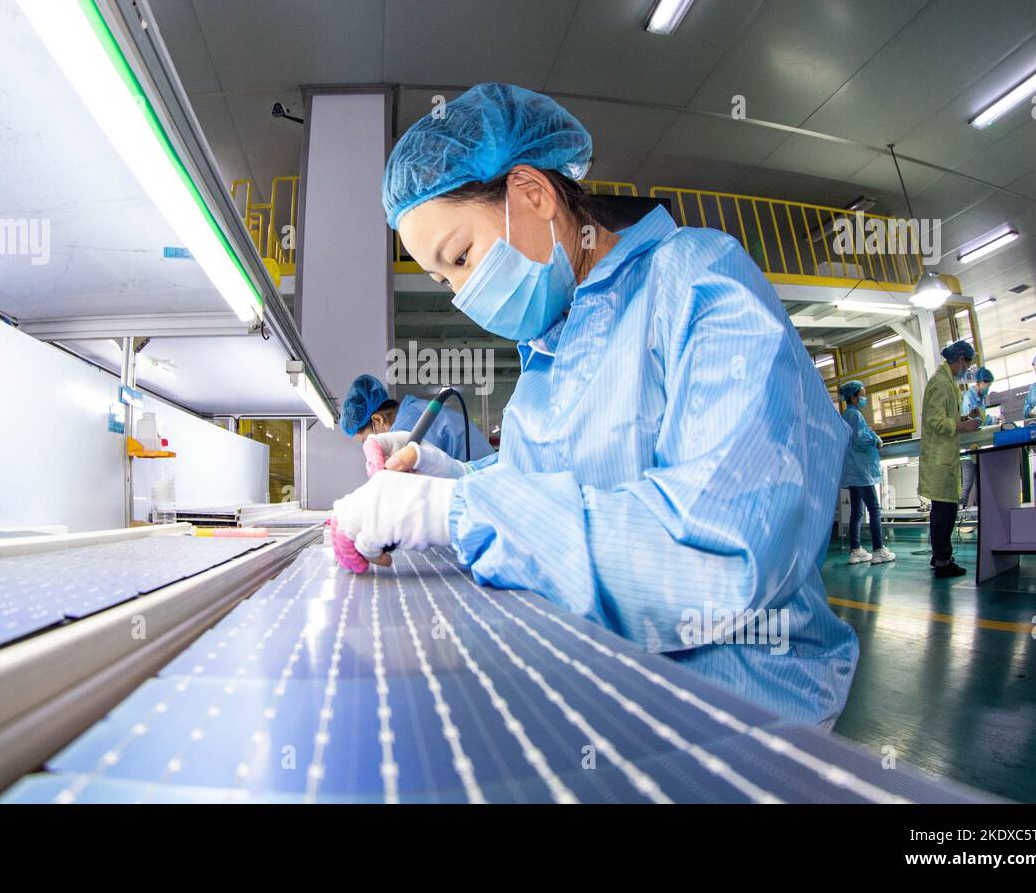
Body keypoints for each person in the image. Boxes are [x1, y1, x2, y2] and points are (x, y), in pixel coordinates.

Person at [331, 82, 857, 728]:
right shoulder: (546, 356)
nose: (463, 295)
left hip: (732, 714)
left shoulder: (696, 279)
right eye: (445, 282)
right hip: (602, 691)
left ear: (532, 193)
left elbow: (727, 550)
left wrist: (461, 511)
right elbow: (564, 497)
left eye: (461, 258)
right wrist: (453, 480)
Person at [918, 340, 980, 578]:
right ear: (961, 360)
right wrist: (962, 427)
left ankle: (941, 556)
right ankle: (943, 561)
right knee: (944, 512)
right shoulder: (940, 382)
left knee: (945, 510)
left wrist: (964, 417)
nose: (967, 369)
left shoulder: (947, 382)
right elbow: (935, 420)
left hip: (945, 455)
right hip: (939, 457)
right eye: (968, 363)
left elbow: (946, 416)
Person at [338, 373, 494, 462]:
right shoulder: (412, 409)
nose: (367, 444)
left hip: (482, 488)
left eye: (365, 439)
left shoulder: (407, 428)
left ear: (377, 420)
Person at [838, 381, 893, 565]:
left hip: (853, 472)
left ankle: (856, 550)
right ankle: (878, 549)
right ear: (853, 397)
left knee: (856, 511)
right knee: (874, 509)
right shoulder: (854, 415)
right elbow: (861, 439)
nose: (864, 398)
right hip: (861, 471)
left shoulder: (846, 415)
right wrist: (874, 439)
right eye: (862, 394)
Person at [959, 366, 994, 509]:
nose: (988, 388)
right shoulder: (969, 397)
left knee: (980, 480)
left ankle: (981, 512)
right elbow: (968, 421)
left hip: (978, 445)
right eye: (987, 385)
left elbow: (982, 419)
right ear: (980, 382)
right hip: (968, 447)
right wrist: (982, 419)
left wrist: (989, 420)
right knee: (968, 482)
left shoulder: (981, 398)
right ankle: (960, 513)